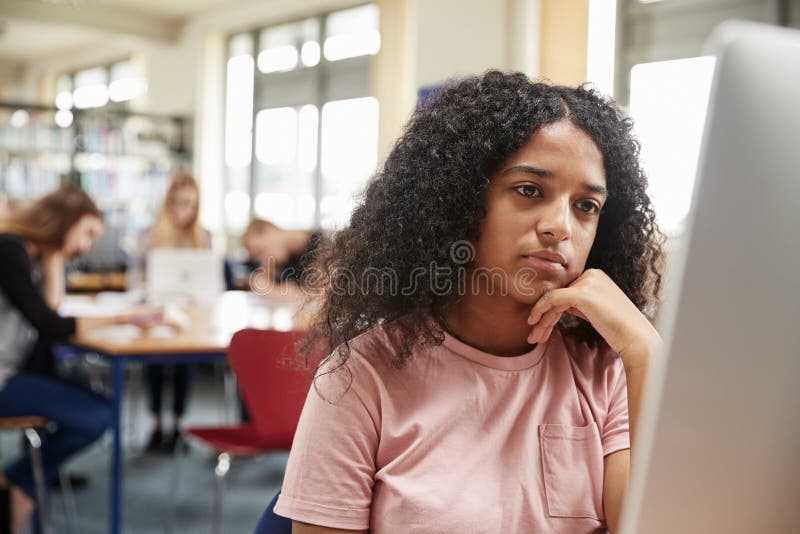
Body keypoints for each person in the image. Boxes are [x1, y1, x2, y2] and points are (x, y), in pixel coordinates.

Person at [271, 71, 665, 533]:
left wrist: (646, 351)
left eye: (586, 206)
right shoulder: (361, 378)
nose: (561, 225)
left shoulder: (607, 373)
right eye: (529, 190)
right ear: (456, 202)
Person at [0, 184, 162, 534]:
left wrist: (54, 254)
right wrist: (123, 318)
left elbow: (51, 310)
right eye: (86, 232)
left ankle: (19, 483)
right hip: (2, 380)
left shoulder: (32, 254)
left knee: (91, 398)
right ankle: (18, 482)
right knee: (96, 413)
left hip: (12, 373)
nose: (86, 246)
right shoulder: (8, 247)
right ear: (64, 220)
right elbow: (50, 324)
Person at [144, 171, 209, 452]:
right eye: (180, 203)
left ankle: (179, 424)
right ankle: (157, 424)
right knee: (155, 360)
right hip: (156, 312)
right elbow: (136, 279)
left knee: (185, 362)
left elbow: (211, 279)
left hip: (191, 313)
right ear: (168, 203)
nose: (186, 210)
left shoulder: (203, 237)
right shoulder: (150, 236)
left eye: (191, 204)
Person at [241, 219, 321, 298]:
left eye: (261, 251)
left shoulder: (322, 247)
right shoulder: (285, 262)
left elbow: (318, 299)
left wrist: (275, 291)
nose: (263, 261)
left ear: (269, 230)